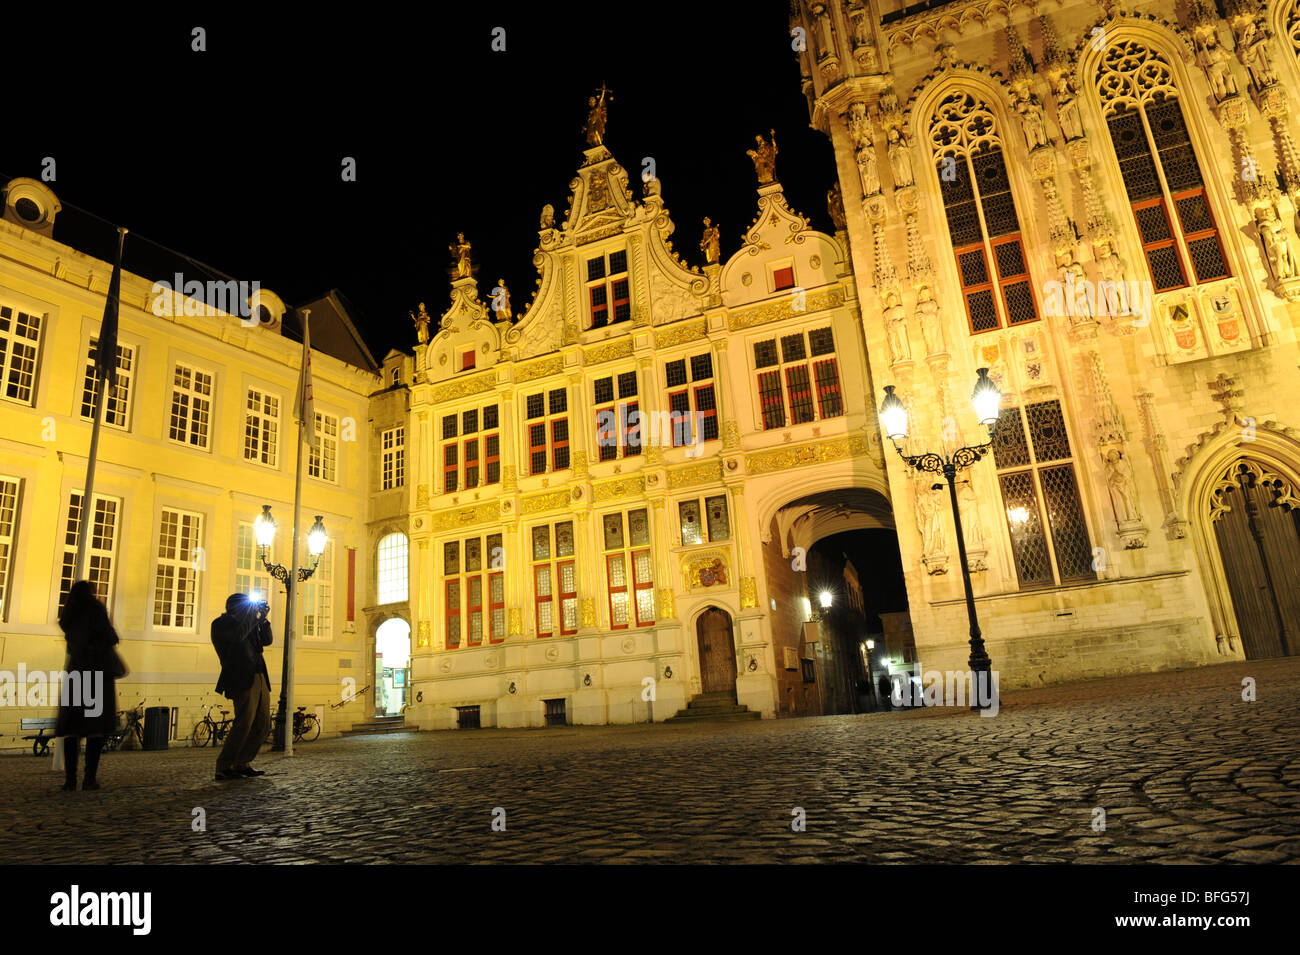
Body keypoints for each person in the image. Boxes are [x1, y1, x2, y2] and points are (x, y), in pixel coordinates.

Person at [56, 581, 122, 791]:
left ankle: (70, 780)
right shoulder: (95, 609)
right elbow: (111, 637)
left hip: (76, 673)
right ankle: (89, 779)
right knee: (95, 729)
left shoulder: (69, 615)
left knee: (72, 729)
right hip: (97, 674)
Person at [211, 593, 273, 781]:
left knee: (263, 724)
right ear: (235, 607)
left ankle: (242, 762)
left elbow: (267, 640)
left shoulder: (250, 624)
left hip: (259, 675)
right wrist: (253, 619)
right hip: (240, 677)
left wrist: (264, 621)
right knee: (244, 723)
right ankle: (224, 766)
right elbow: (238, 636)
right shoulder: (221, 624)